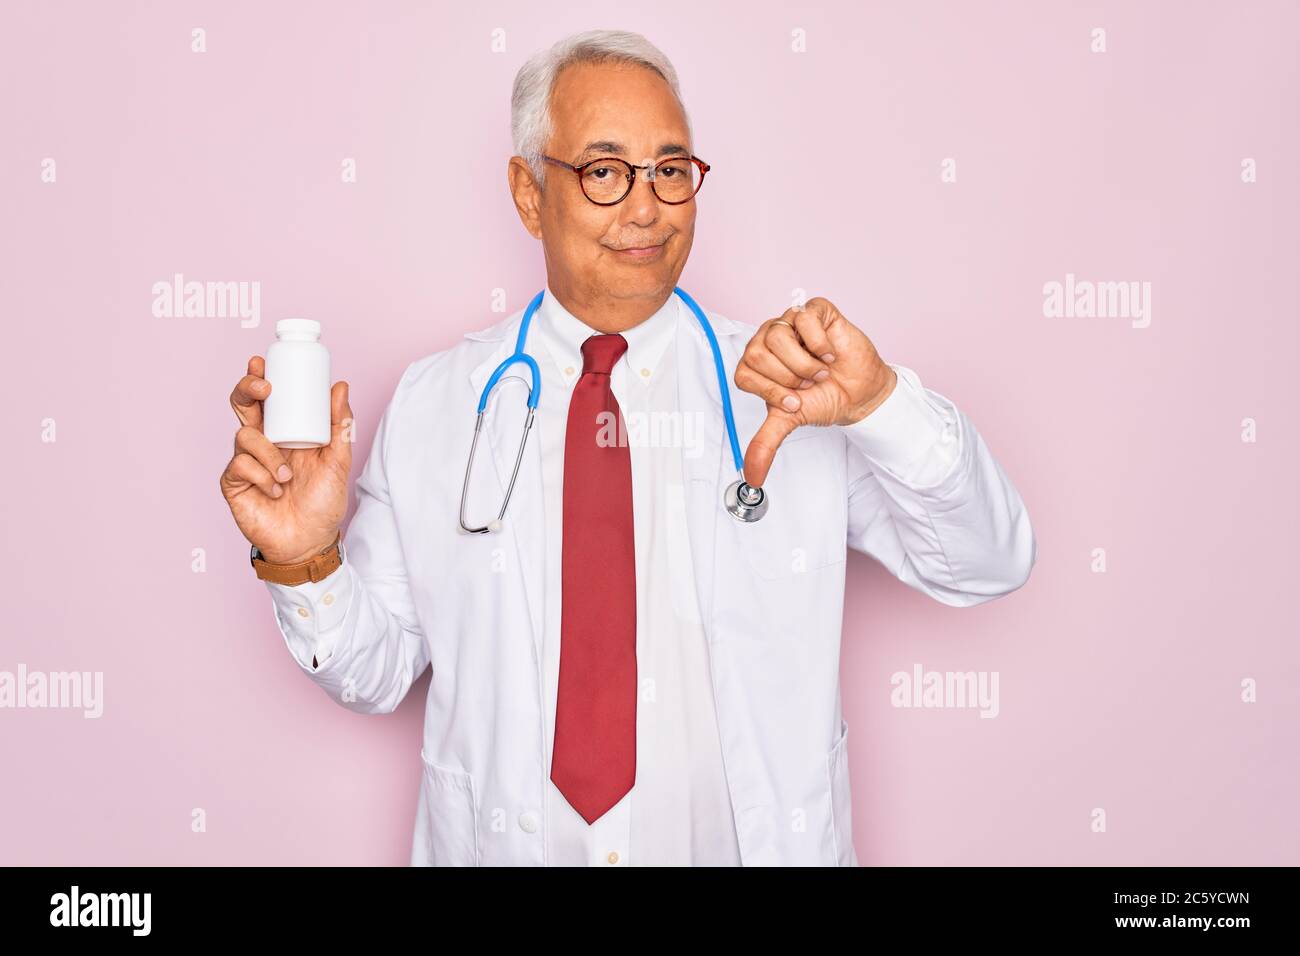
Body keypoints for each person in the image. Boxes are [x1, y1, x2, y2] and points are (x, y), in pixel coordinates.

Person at [219, 29, 1035, 866]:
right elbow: (375, 672)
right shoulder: (436, 403)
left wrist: (879, 404)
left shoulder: (791, 389)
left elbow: (987, 562)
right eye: (605, 171)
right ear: (529, 192)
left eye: (670, 171)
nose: (646, 209)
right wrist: (305, 560)